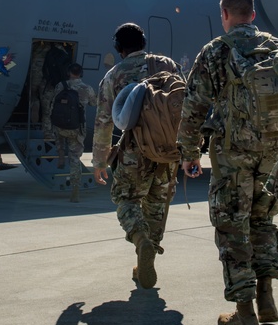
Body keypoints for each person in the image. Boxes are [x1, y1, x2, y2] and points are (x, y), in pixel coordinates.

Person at [177, 0, 278, 325]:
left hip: (233, 156)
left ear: (225, 15)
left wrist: (189, 152)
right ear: (253, 14)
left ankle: (244, 313)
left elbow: (194, 106)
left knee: (232, 228)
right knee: (263, 222)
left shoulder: (215, 51)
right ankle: (266, 298)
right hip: (274, 155)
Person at [91, 22, 180, 289]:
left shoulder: (114, 75)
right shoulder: (167, 65)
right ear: (143, 43)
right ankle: (146, 257)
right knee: (157, 204)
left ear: (119, 48)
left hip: (134, 150)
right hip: (167, 150)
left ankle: (141, 240)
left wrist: (99, 161)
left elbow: (104, 121)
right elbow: (184, 104)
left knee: (126, 198)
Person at [45, 63, 97, 203]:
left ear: (68, 73)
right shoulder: (86, 88)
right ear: (81, 74)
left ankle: (61, 154)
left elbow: (53, 103)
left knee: (59, 135)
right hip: (76, 128)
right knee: (75, 159)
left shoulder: (60, 86)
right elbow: (94, 103)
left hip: (59, 126)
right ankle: (75, 190)